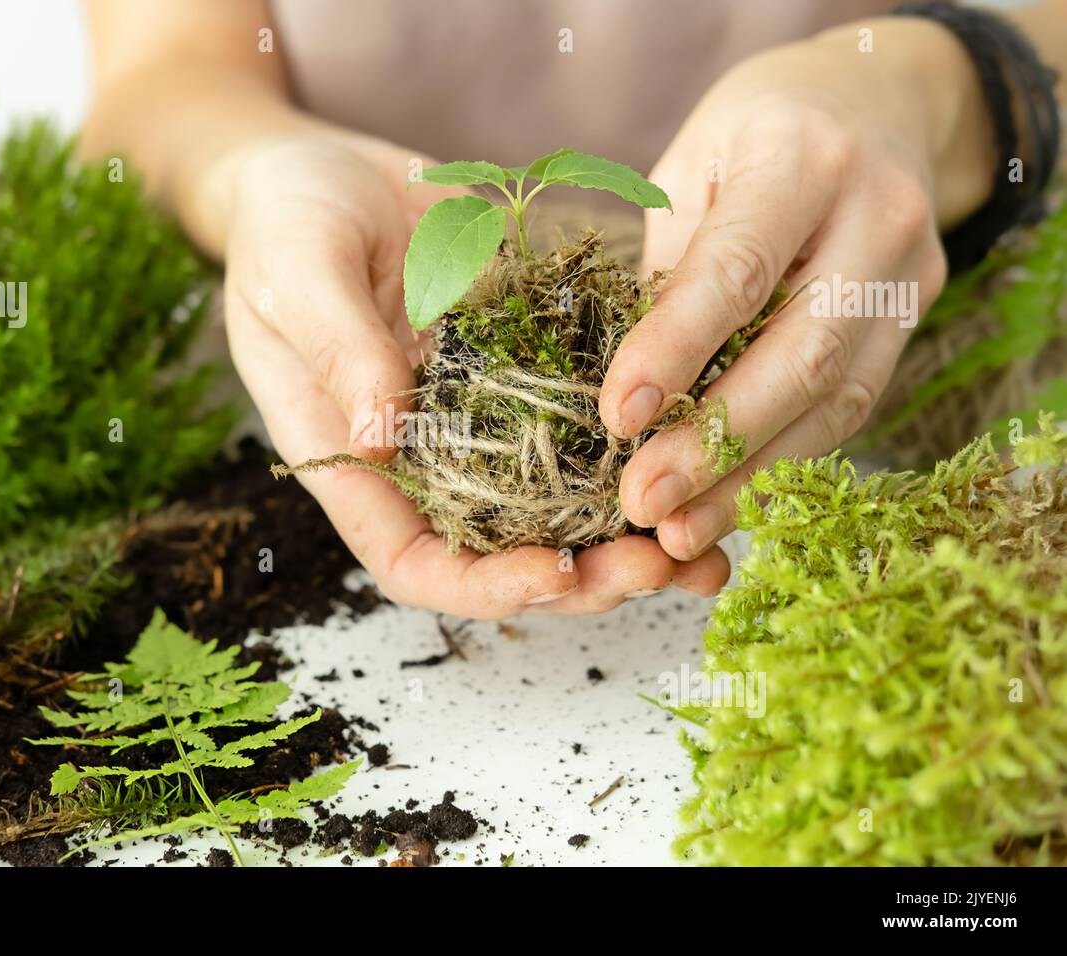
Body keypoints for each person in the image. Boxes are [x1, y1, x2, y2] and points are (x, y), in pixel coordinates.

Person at [80, 0, 1065, 618]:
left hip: (912, 371)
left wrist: (929, 84)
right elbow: (157, 82)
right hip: (320, 372)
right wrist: (255, 172)